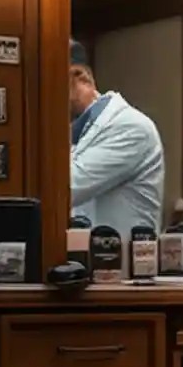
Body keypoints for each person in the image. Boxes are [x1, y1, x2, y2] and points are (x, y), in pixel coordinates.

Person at [69, 39, 165, 234]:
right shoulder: (79, 131)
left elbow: (66, 188)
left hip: (122, 260)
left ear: (81, 78)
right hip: (87, 259)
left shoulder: (130, 128)